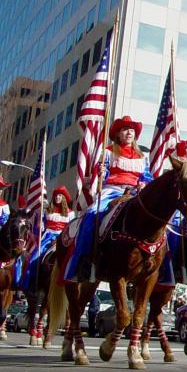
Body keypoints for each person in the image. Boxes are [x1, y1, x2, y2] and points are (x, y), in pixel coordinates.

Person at [65, 115, 152, 281]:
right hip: (112, 190)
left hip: (135, 193)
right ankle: (84, 259)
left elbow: (147, 176)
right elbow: (97, 177)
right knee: (91, 214)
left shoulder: (142, 157)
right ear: (118, 134)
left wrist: (143, 184)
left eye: (132, 130)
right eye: (125, 129)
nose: (129, 133)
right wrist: (101, 172)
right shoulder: (108, 152)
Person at [19, 185, 74, 294]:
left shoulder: (70, 213)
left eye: (60, 195)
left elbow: (70, 228)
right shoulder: (48, 211)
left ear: (64, 197)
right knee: (34, 257)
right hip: (48, 236)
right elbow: (42, 226)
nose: (57, 197)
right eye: (55, 195)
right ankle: (30, 285)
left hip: (64, 237)